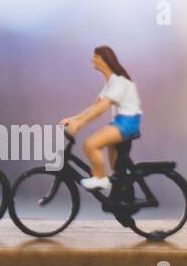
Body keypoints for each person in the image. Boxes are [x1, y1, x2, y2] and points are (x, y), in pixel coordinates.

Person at [59, 45, 142, 193]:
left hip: (127, 122)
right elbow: (94, 106)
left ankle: (100, 179)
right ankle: (120, 194)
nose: (93, 59)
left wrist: (79, 124)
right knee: (118, 171)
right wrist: (74, 119)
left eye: (96, 57)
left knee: (90, 145)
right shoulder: (110, 83)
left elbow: (101, 108)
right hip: (120, 122)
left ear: (104, 60)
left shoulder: (118, 81)